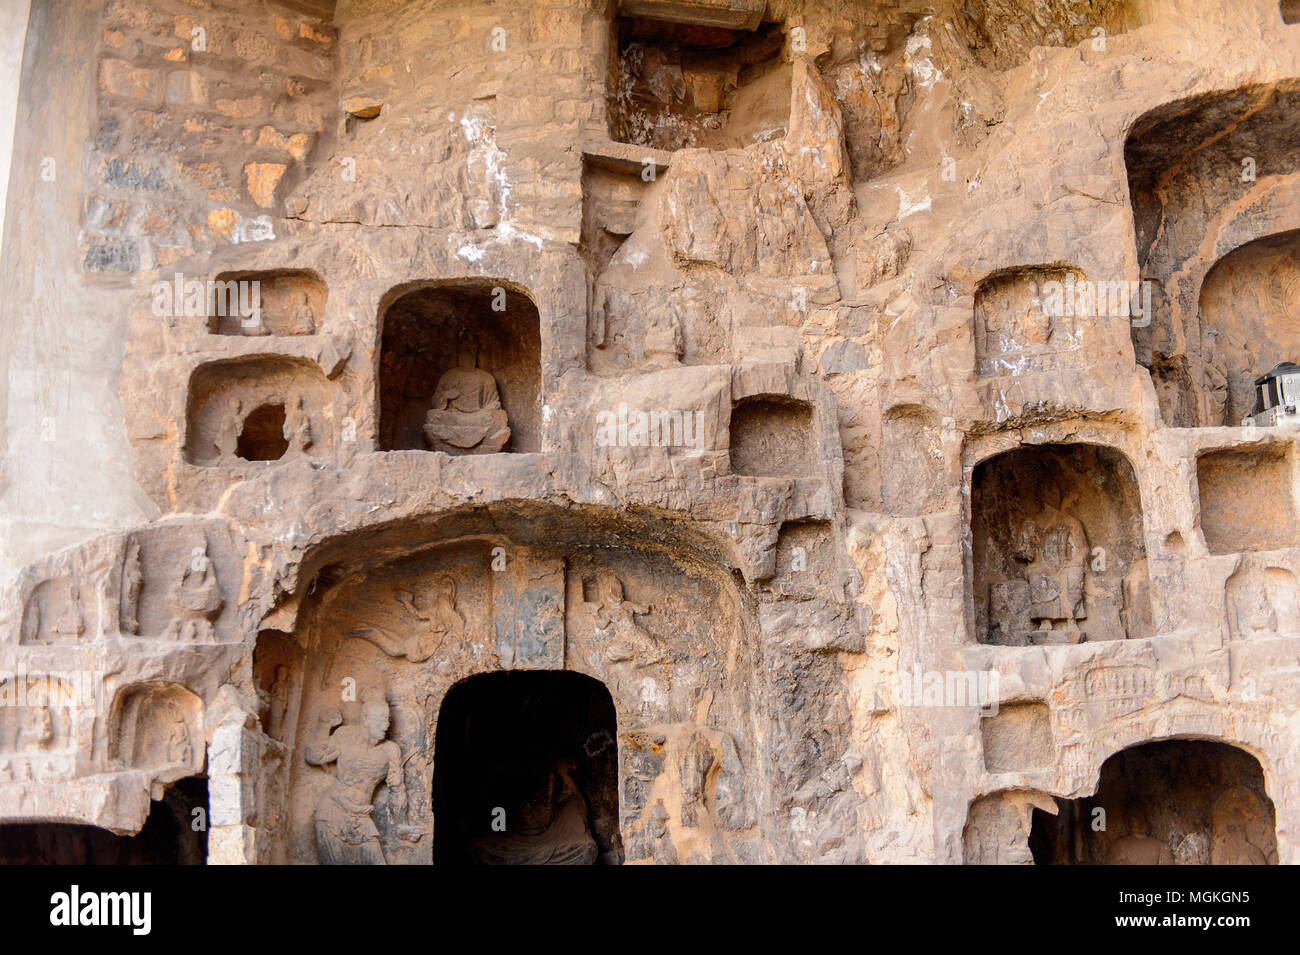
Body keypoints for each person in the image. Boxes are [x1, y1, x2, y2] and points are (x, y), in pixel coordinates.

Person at [305, 699, 407, 865]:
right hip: (332, 812)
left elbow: (398, 790)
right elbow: (314, 756)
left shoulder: (390, 750)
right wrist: (324, 726)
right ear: (365, 719)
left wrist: (401, 823)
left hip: (361, 818)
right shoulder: (345, 736)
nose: (385, 726)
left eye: (387, 720)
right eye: (379, 719)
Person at [422, 332, 510, 454]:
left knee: (499, 416)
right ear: (458, 354)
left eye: (471, 352)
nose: (467, 356)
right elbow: (436, 404)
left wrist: (487, 410)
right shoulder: (449, 376)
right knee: (432, 416)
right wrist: (445, 397)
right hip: (454, 418)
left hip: (478, 417)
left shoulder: (486, 378)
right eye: (464, 351)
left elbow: (494, 403)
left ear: (476, 354)